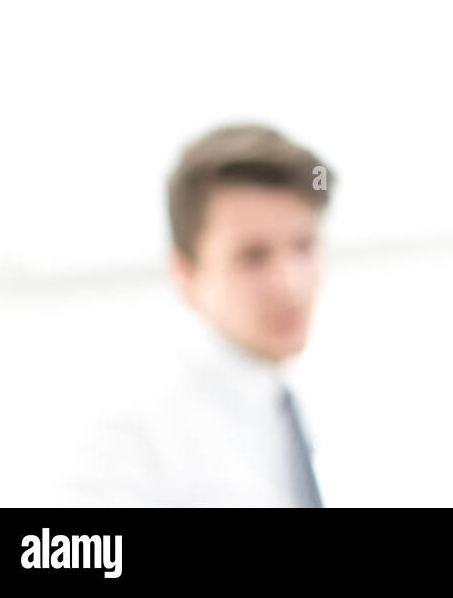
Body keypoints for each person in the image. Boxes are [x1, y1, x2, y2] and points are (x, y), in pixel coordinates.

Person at [68, 124, 333, 507]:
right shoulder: (126, 435)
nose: (289, 285)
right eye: (252, 257)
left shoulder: (278, 398)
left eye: (303, 246)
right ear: (185, 273)